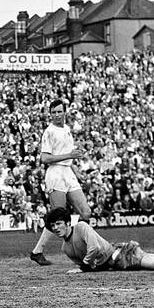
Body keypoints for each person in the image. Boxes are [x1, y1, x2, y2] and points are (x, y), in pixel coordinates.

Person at [29, 98, 94, 266]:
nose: (57, 115)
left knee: (85, 212)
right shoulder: (49, 132)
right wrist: (69, 156)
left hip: (67, 172)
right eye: (53, 112)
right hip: (55, 172)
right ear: (50, 114)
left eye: (59, 111)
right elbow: (45, 158)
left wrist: (77, 171)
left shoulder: (66, 129)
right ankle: (38, 251)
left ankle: (80, 244)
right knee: (58, 215)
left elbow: (68, 155)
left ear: (65, 112)